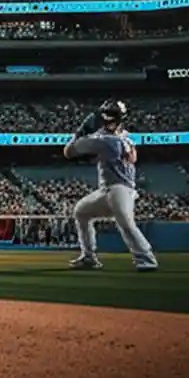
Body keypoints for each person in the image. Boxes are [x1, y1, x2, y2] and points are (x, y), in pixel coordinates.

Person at [63, 99, 158, 271]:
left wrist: (81, 131)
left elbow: (68, 152)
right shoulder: (126, 137)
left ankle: (146, 259)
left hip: (120, 188)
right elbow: (132, 157)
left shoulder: (104, 139)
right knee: (81, 212)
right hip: (108, 190)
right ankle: (89, 257)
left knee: (126, 223)